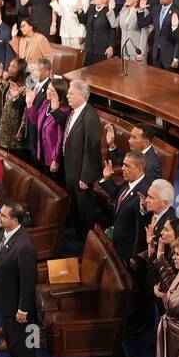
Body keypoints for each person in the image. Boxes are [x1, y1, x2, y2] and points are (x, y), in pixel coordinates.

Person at [0, 200, 40, 357]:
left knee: (24, 341)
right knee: (12, 338)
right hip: (5, 301)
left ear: (15, 220)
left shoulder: (24, 246)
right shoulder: (5, 233)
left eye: (3, 215)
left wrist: (23, 309)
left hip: (18, 307)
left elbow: (28, 282)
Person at [56, 77, 102, 238]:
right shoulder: (74, 111)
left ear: (82, 96)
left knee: (84, 209)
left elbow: (92, 150)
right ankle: (77, 234)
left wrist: (86, 177)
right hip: (70, 167)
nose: (67, 96)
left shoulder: (90, 117)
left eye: (71, 94)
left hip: (82, 174)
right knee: (74, 205)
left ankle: (87, 241)